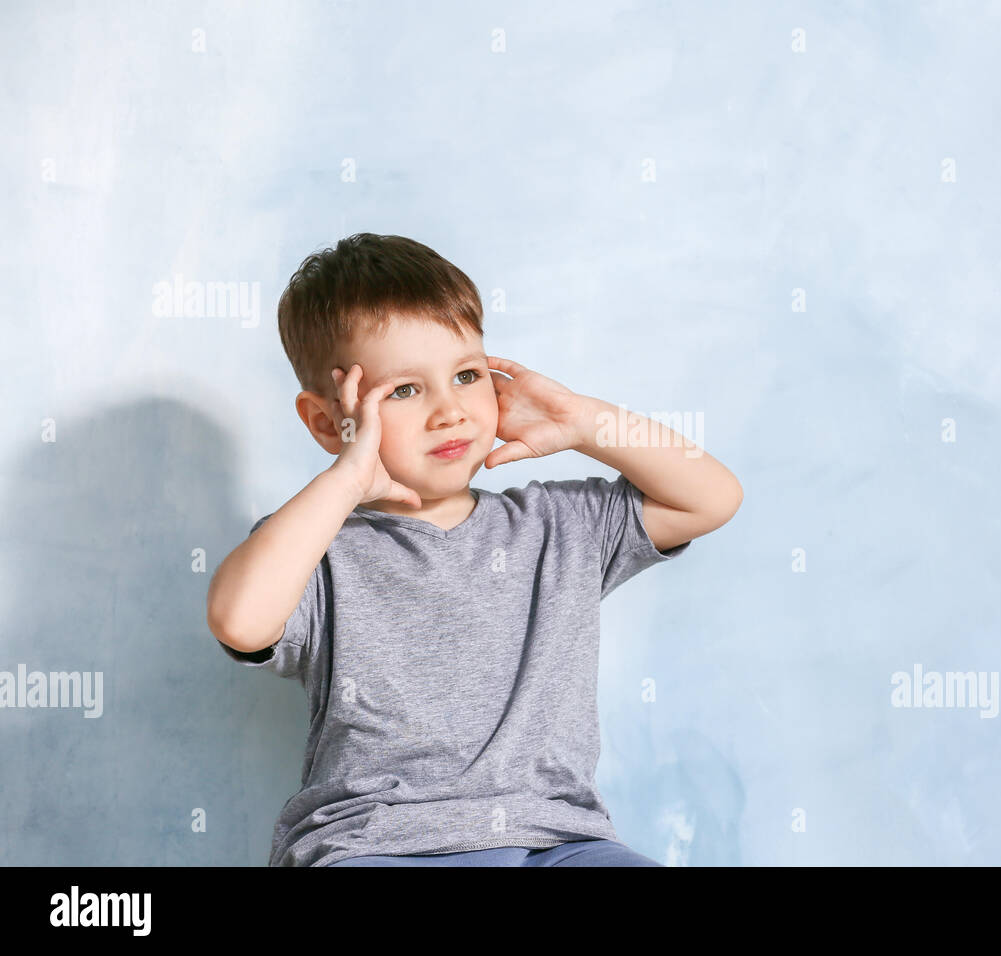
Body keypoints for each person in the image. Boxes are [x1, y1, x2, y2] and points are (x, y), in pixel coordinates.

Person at [206, 233, 743, 867]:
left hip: (557, 843)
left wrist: (584, 421)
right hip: (376, 846)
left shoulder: (560, 525)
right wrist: (345, 479)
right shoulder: (317, 549)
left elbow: (711, 497)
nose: (450, 411)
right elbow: (239, 621)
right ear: (328, 421)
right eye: (404, 391)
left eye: (466, 376)